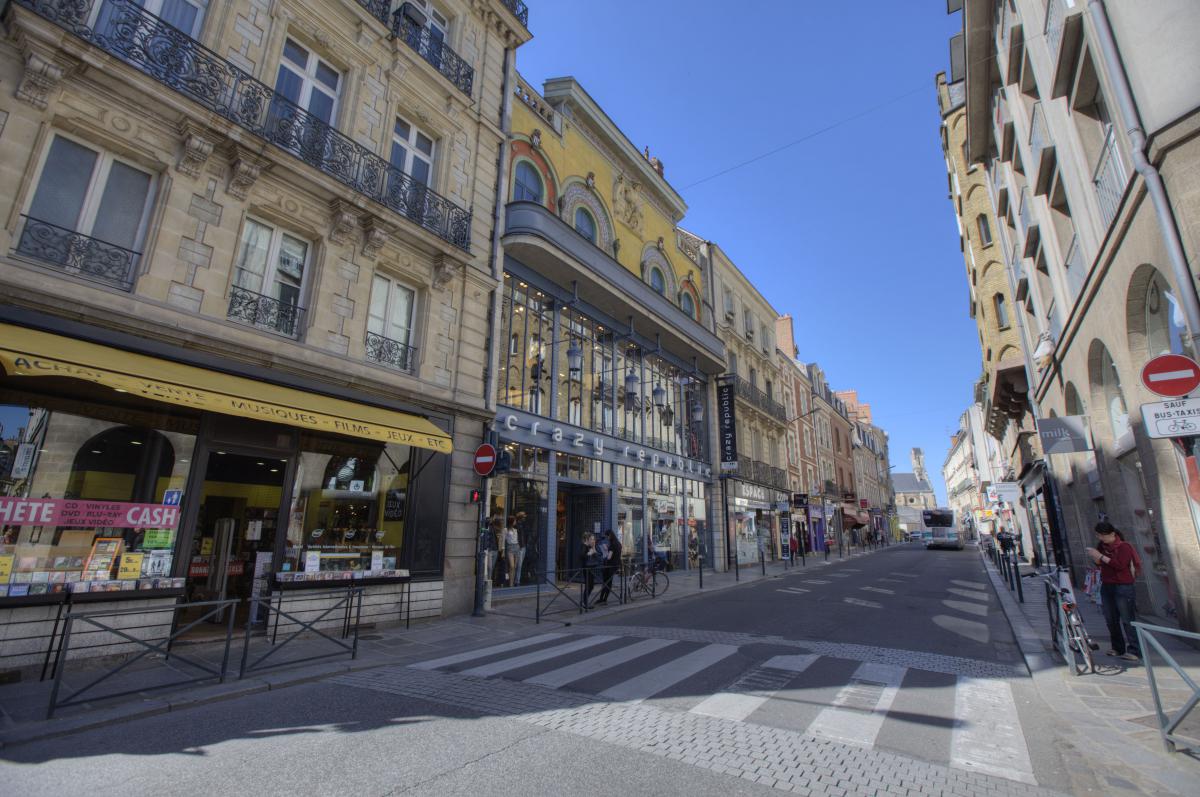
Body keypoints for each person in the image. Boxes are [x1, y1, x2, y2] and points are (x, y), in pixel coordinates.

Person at [1086, 521, 1140, 662]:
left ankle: (1135, 650)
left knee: (1127, 619)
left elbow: (1120, 565)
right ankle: (1117, 648)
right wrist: (1095, 557)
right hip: (1107, 585)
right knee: (1111, 619)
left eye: (1104, 535)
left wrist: (1100, 556)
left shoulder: (1124, 547)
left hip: (1123, 586)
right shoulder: (1102, 547)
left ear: (1112, 533)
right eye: (1099, 535)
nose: (1102, 538)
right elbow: (1101, 564)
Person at [597, 528, 621, 605]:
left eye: (607, 536)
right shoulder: (618, 543)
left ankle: (602, 599)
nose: (607, 538)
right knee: (608, 583)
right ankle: (604, 599)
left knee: (605, 583)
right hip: (615, 565)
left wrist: (606, 550)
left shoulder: (612, 544)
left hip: (609, 566)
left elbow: (609, 557)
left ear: (610, 535)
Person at [580, 532, 600, 606]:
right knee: (589, 586)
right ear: (587, 539)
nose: (593, 540)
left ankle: (584, 602)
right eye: (591, 539)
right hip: (586, 569)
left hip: (590, 569)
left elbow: (597, 557)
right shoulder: (584, 546)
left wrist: (594, 547)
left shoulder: (589, 547)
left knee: (591, 586)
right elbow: (581, 556)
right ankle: (584, 603)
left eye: (593, 539)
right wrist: (589, 553)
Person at [504, 516, 520, 587]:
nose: (515, 522)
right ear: (511, 521)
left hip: (516, 547)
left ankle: (512, 582)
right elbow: (503, 540)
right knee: (512, 566)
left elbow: (517, 539)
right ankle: (510, 583)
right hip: (510, 547)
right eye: (514, 521)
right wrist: (503, 550)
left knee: (515, 566)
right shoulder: (505, 530)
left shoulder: (515, 530)